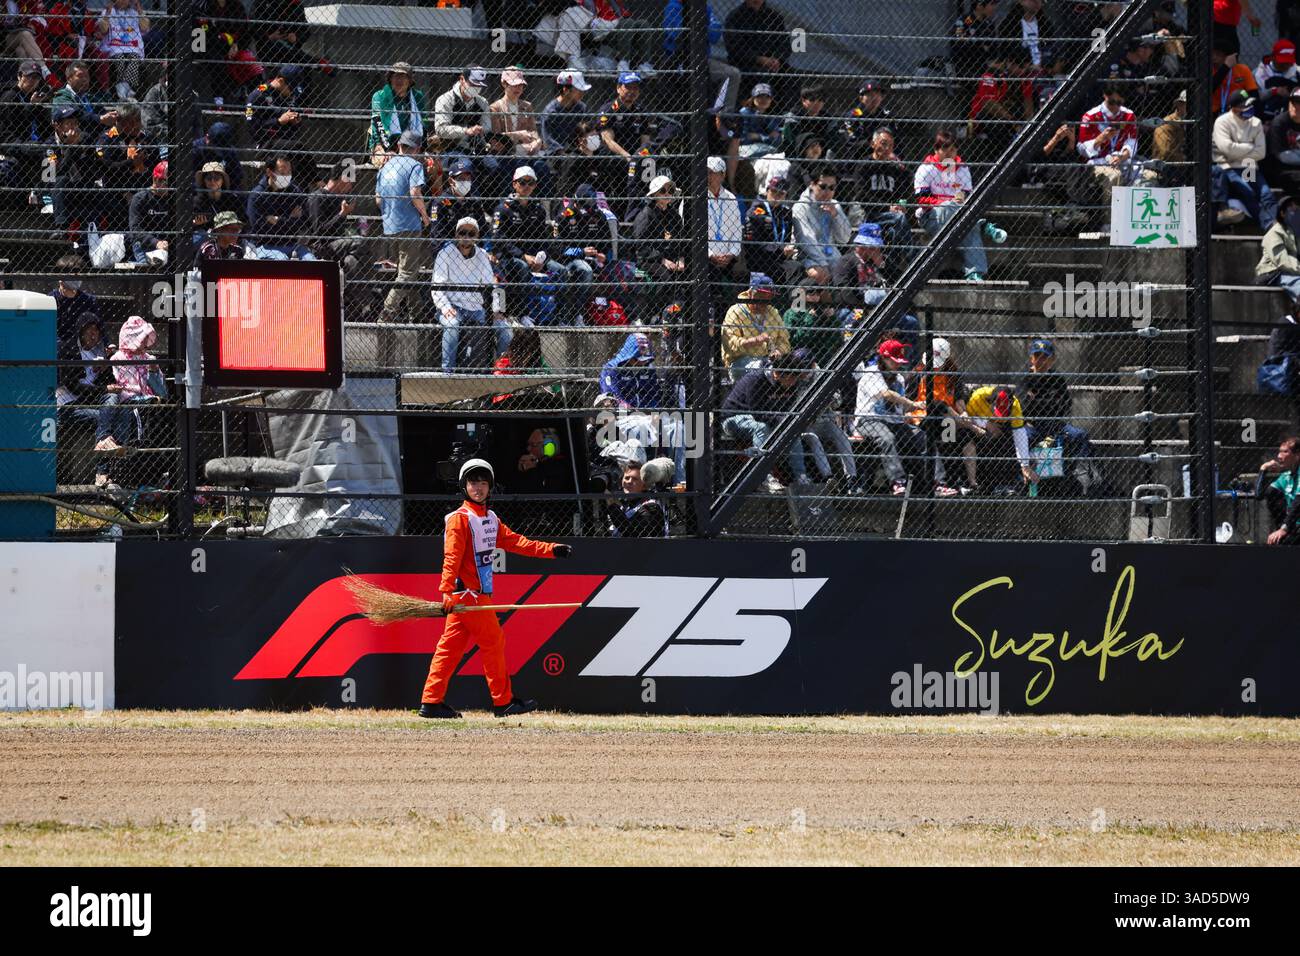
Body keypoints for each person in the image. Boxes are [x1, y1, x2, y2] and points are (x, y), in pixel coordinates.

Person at [419, 458, 571, 719]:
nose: (477, 487)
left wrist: (551, 550)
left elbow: (517, 543)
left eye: (482, 482)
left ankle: (431, 702)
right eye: (472, 482)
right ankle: (503, 702)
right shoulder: (460, 519)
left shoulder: (490, 518)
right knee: (493, 642)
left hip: (469, 599)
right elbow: (451, 557)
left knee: (450, 649)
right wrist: (446, 591)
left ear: (490, 487)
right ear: (463, 487)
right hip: (469, 597)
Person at [853, 338, 957, 496]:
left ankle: (938, 483)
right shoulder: (871, 373)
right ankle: (897, 481)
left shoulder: (899, 378)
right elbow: (886, 394)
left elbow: (901, 407)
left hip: (894, 421)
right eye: (894, 361)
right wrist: (911, 403)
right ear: (884, 358)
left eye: (899, 361)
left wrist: (919, 405)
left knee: (922, 438)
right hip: (869, 420)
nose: (898, 365)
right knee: (887, 438)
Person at [915, 128, 1004, 282]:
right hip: (931, 216)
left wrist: (957, 201)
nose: (950, 153)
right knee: (959, 214)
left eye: (954, 148)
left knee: (965, 223)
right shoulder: (926, 168)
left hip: (959, 215)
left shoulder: (962, 168)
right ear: (936, 149)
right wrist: (945, 202)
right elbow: (922, 200)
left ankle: (974, 274)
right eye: (946, 149)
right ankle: (983, 226)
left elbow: (965, 196)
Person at [720, 352, 813, 494]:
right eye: (792, 379)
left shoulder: (791, 382)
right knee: (761, 427)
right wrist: (781, 420)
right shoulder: (756, 379)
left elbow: (784, 410)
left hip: (765, 418)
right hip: (734, 418)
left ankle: (801, 476)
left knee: (791, 429)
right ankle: (764, 478)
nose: (794, 382)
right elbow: (757, 413)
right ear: (778, 374)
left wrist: (786, 421)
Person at [431, 216, 508, 370]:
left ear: (477, 237)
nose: (466, 237)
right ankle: (448, 372)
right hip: (453, 306)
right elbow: (437, 286)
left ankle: (499, 370)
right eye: (462, 232)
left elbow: (492, 285)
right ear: (456, 235)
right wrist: (445, 308)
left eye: (471, 234)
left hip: (477, 308)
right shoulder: (445, 253)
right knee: (452, 325)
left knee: (506, 331)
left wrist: (497, 309)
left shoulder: (482, 255)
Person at [376, 130, 431, 321]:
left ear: (399, 145)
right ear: (417, 149)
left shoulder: (385, 167)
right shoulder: (415, 165)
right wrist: (424, 215)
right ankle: (388, 310)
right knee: (407, 273)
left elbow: (377, 200)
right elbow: (415, 192)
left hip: (390, 224)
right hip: (409, 224)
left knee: (408, 272)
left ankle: (416, 314)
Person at [1213, 90, 1276, 230]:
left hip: (1249, 165)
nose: (1249, 108)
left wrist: (1237, 150)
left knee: (1266, 194)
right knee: (1248, 192)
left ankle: (1275, 227)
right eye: (1244, 105)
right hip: (1228, 166)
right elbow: (1226, 149)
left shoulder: (1256, 122)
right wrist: (1249, 146)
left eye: (1250, 104)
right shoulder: (1222, 122)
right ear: (1233, 108)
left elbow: (1261, 153)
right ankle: (1269, 226)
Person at [720, 272, 790, 380]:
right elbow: (730, 344)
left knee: (802, 366)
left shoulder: (773, 312)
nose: (764, 300)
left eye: (769, 296)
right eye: (761, 295)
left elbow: (785, 341)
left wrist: (778, 351)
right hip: (740, 362)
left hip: (769, 361)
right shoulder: (736, 311)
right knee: (762, 369)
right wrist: (755, 340)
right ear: (751, 293)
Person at [1077, 82, 1140, 202]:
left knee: (1147, 176)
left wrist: (1123, 156)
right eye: (1112, 102)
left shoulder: (1129, 115)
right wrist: (1100, 139)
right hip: (1098, 162)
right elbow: (1081, 148)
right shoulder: (1090, 116)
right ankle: (1111, 219)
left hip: (1122, 160)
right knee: (1114, 177)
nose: (1116, 107)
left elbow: (1132, 141)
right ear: (1105, 96)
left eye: (1119, 103)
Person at [246, 154, 317, 260]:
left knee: (310, 259)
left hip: (290, 243)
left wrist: (277, 220)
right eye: (282, 173)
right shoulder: (257, 195)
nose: (287, 176)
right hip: (262, 245)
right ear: (269, 172)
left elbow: (303, 221)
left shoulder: (294, 191)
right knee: (281, 260)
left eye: (289, 172)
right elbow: (259, 228)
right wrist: (290, 218)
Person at [792, 167, 852, 284]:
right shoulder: (801, 207)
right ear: (812, 185)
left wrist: (836, 216)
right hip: (806, 256)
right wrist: (824, 263)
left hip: (831, 254)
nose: (827, 192)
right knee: (820, 274)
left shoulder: (835, 205)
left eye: (831, 188)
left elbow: (844, 239)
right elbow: (807, 241)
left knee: (848, 272)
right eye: (823, 187)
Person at [367, 61, 429, 153]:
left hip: (410, 143)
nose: (398, 80)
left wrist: (423, 147)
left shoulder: (417, 96)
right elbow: (377, 123)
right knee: (386, 160)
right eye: (395, 76)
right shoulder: (380, 96)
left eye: (403, 77)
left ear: (409, 81)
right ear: (390, 78)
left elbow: (424, 122)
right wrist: (383, 147)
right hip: (383, 142)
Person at [434, 64, 491, 156]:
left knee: (494, 165)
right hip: (450, 148)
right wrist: (466, 131)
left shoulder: (482, 102)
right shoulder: (445, 100)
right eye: (472, 84)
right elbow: (440, 129)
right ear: (461, 79)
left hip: (477, 147)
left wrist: (481, 129)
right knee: (465, 165)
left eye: (479, 85)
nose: (476, 88)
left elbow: (488, 127)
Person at [605, 460, 669, 537]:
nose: (629, 482)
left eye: (635, 479)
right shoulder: (624, 506)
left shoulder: (652, 507)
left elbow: (632, 532)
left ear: (644, 485)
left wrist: (612, 506)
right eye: (627, 478)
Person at [1258, 436, 1300, 544]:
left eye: (1285, 452)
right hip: (1293, 525)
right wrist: (1263, 469)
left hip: (1294, 526)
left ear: (1297, 455)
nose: (1279, 456)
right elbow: (1260, 495)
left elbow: (1298, 503)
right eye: (1279, 452)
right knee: (1272, 493)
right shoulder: (1285, 476)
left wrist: (1283, 529)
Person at [128, 160, 170, 265]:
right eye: (163, 181)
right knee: (154, 266)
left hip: (168, 242)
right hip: (146, 243)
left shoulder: (173, 198)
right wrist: (156, 243)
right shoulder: (140, 198)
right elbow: (135, 229)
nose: (166, 186)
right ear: (155, 179)